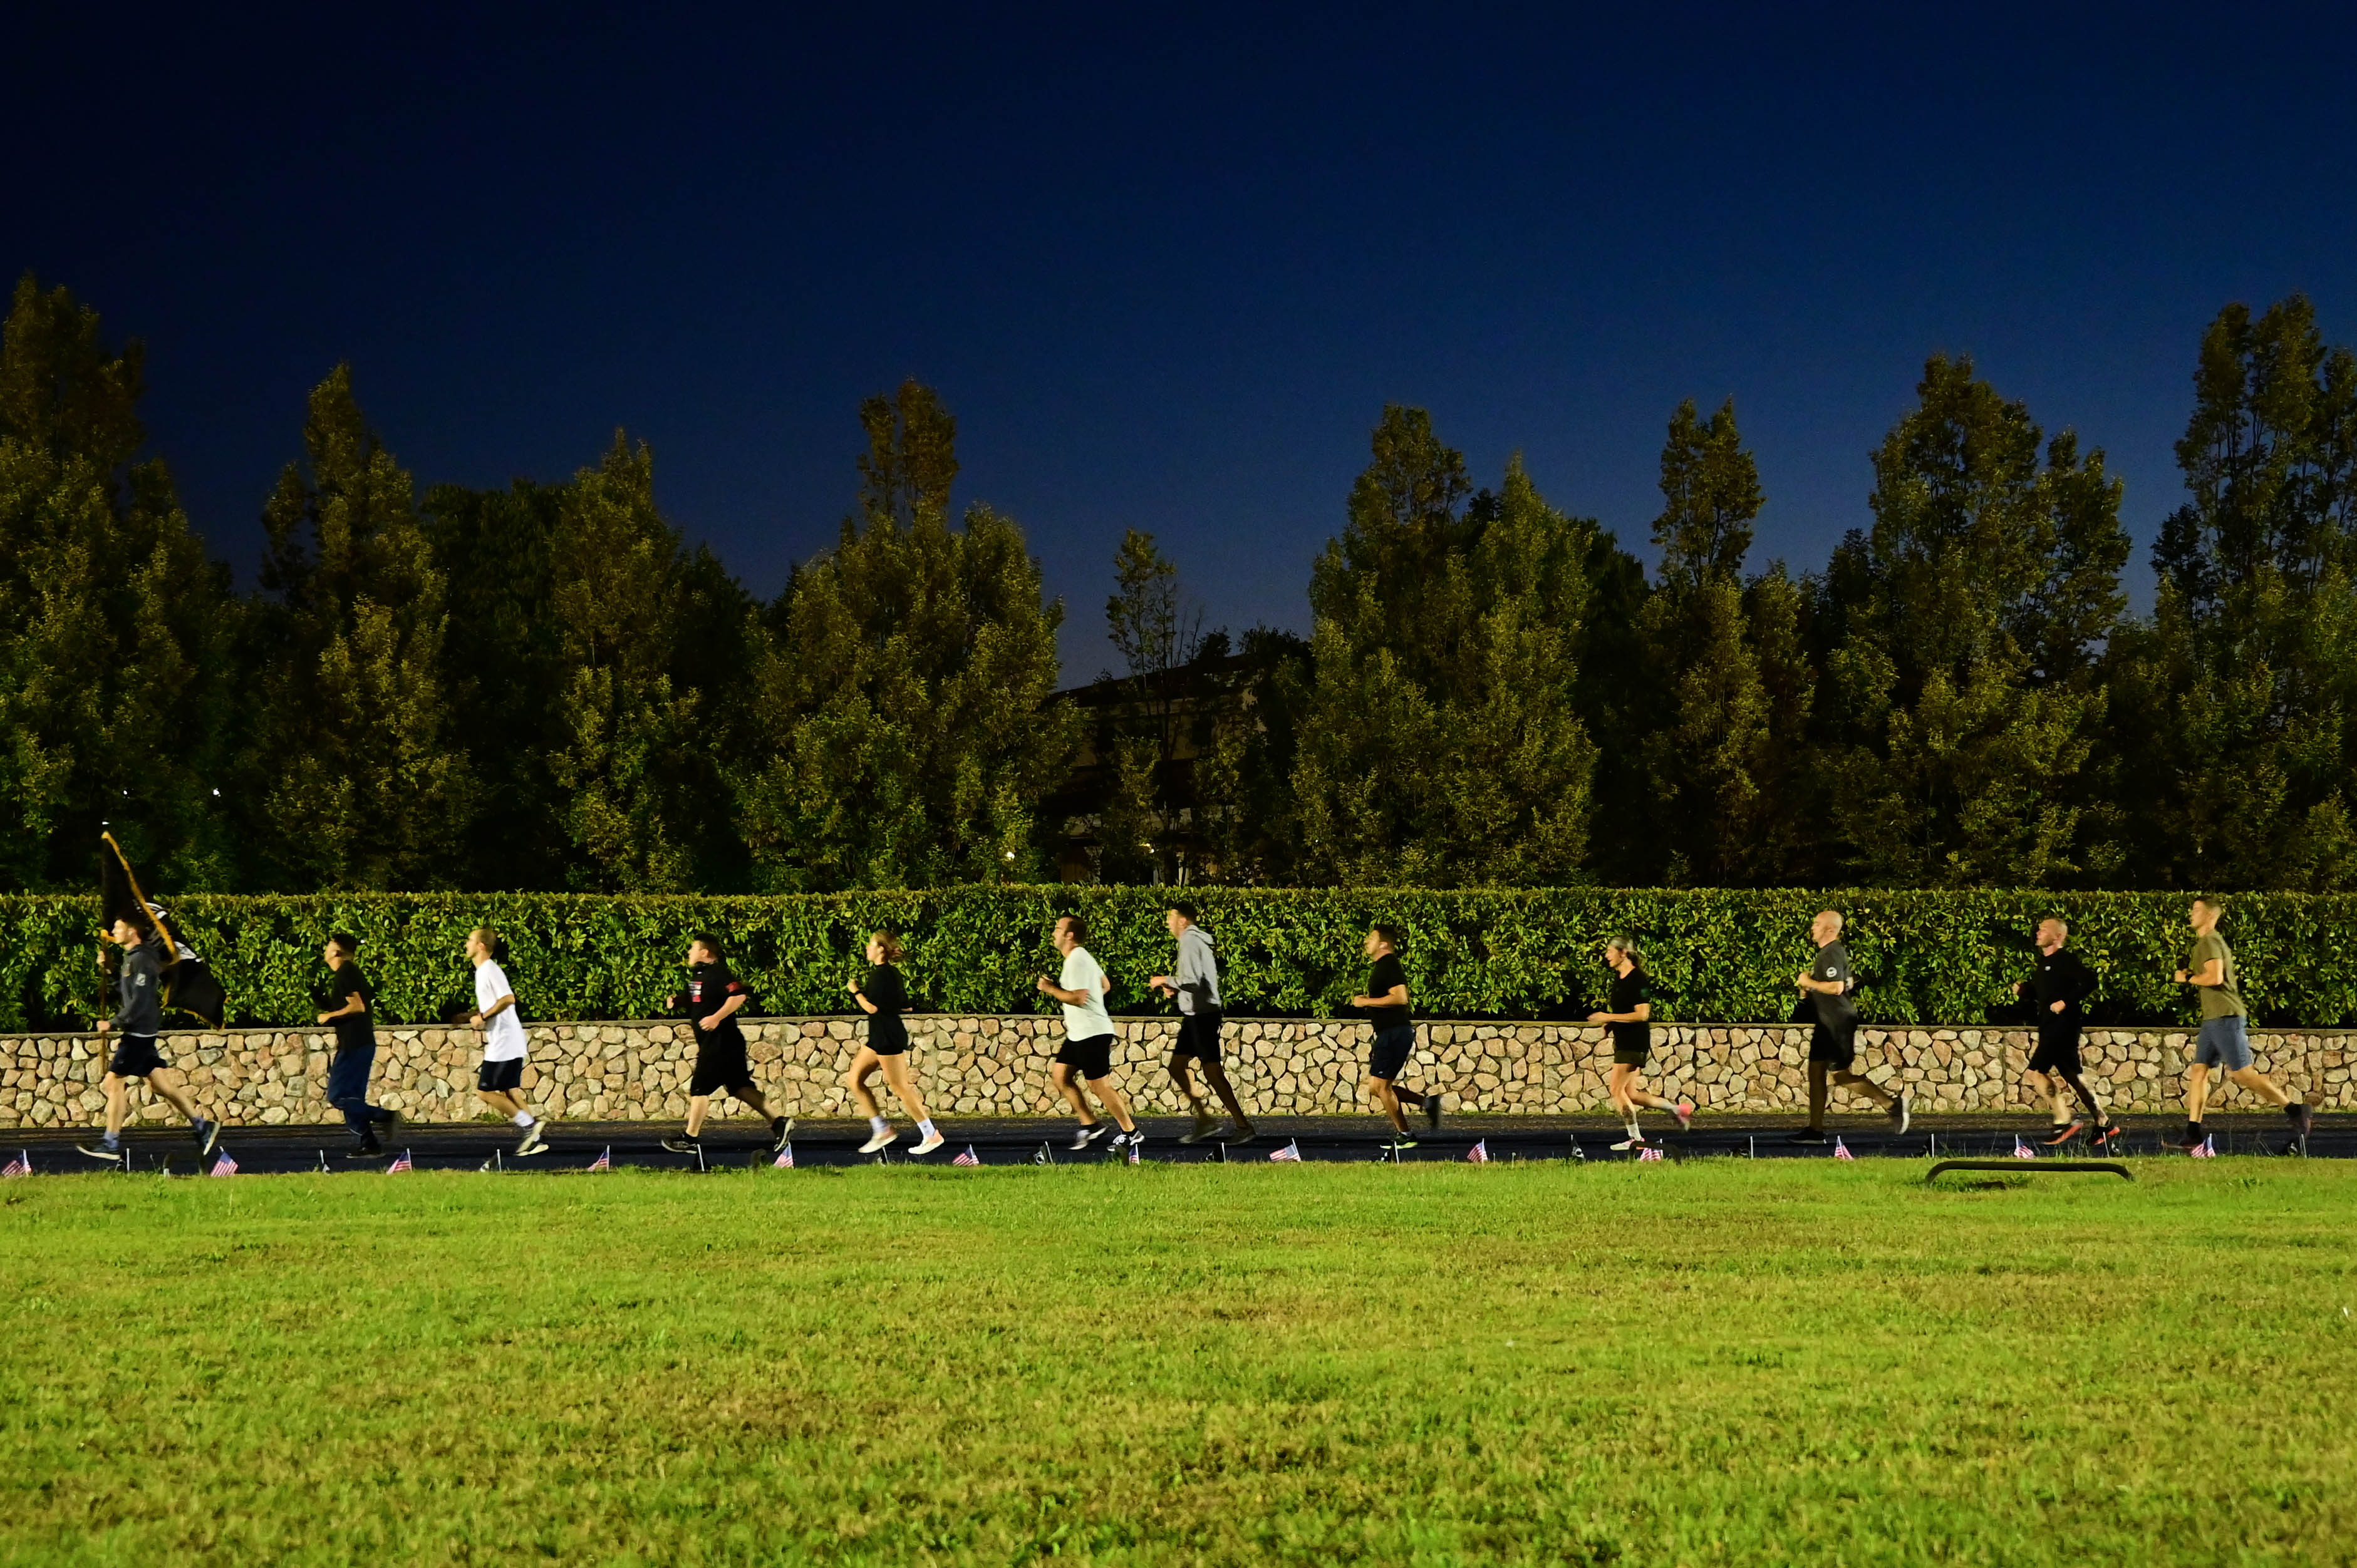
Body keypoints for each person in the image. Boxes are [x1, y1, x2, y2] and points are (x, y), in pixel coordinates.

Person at [76, 914, 224, 1164]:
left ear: (133, 931)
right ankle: (203, 1127)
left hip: (138, 1032)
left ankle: (110, 1144)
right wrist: (110, 969)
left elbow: (141, 1001)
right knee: (160, 1085)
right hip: (140, 1030)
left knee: (112, 1084)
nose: (113, 930)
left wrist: (114, 1022)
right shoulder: (132, 959)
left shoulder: (143, 960)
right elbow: (125, 992)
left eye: (118, 927)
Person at [2169, 896, 2313, 1151]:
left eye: (2197, 910)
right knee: (2199, 1071)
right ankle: (2193, 1132)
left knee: (2242, 1073)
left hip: (2226, 1016)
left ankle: (2295, 1110)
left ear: (2211, 915)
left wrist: (2188, 979)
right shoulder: (2207, 942)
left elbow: (2215, 977)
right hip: (2213, 1018)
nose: (2192, 914)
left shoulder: (2210, 941)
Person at [661, 935, 793, 1157]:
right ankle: (779, 1122)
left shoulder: (719, 973)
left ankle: (690, 1139)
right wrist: (679, 1001)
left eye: (693, 949)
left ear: (705, 952)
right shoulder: (699, 976)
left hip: (721, 1042)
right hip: (720, 1043)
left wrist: (716, 1018)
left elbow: (738, 996)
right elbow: (698, 999)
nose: (689, 953)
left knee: (700, 1088)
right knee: (740, 1087)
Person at [1786, 910, 1909, 1143]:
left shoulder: (1831, 952)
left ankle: (1892, 1105)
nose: (1812, 927)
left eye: (1817, 923)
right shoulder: (1829, 954)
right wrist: (1811, 990)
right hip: (1826, 1022)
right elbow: (1848, 982)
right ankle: (1815, 1130)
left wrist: (1807, 981)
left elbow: (1837, 988)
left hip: (1838, 1022)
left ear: (1830, 929)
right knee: (1815, 1072)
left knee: (1840, 1075)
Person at [1148, 901, 1255, 1143]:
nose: (1168, 923)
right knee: (1176, 1066)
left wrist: (1163, 979)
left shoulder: (1189, 941)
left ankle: (1242, 1125)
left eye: (1170, 917)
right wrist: (1174, 988)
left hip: (1203, 1015)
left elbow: (1192, 980)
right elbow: (1196, 981)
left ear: (1182, 920)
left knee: (1213, 1071)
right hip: (1195, 1014)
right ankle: (1205, 1119)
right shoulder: (1194, 941)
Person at [2011, 918, 2119, 1148]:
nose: (2039, 932)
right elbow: (2046, 993)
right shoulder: (2045, 962)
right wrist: (2026, 991)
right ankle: (2104, 1122)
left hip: (2062, 1025)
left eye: (2044, 930)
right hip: (2051, 1025)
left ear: (2059, 937)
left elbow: (2090, 981)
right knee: (2073, 1076)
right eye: (2039, 929)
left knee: (2036, 1072)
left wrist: (2065, 1003)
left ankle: (2064, 1119)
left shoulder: (2065, 959)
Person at [1036, 914, 1139, 1153]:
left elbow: (1079, 997)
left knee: (1099, 1086)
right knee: (1061, 1076)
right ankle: (1091, 1125)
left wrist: (1050, 989)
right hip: (1079, 1033)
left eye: (1058, 928)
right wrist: (1094, 1004)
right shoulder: (1082, 959)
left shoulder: (1077, 961)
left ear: (1069, 936)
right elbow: (1105, 985)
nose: (1054, 932)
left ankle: (1130, 1132)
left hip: (1092, 1033)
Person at [843, 931, 945, 1156]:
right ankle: (882, 1129)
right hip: (879, 1037)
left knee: (900, 1088)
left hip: (887, 1037)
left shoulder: (880, 976)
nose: (867, 949)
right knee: (855, 1080)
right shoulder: (891, 974)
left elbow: (872, 1008)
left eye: (871, 945)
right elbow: (906, 1006)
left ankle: (931, 1134)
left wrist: (856, 991)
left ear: (881, 949)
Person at [1587, 937, 1692, 1151]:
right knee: (1632, 1094)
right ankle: (1676, 1110)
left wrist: (1610, 1016)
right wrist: (1610, 1024)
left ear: (1623, 953)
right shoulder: (1619, 979)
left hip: (1634, 1043)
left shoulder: (1638, 979)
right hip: (1623, 1042)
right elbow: (1623, 1012)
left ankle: (1635, 1140)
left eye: (1610, 951)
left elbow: (1642, 1014)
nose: (1606, 956)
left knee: (1616, 1090)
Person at [1353, 924, 1441, 1148]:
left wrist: (1366, 1002)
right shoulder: (1382, 967)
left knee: (1381, 1087)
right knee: (1376, 1087)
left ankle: (1406, 1135)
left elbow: (1401, 998)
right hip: (1390, 1033)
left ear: (1383, 944)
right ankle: (1427, 1104)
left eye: (1370, 938)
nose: (1366, 942)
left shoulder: (1388, 964)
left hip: (1394, 1033)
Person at [467, 926, 547, 1157]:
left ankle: (530, 1127)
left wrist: (483, 1017)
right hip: (504, 1038)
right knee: (509, 1091)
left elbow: (508, 998)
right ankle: (536, 1140)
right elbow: (496, 1004)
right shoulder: (483, 972)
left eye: (470, 941)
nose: (466, 945)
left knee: (485, 1092)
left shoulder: (489, 970)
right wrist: (481, 1020)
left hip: (504, 1041)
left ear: (481, 946)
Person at [317, 932, 397, 1157]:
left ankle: (385, 1116)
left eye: (329, 944)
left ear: (336, 951)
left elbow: (357, 1006)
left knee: (338, 1097)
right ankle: (369, 1144)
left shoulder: (346, 972)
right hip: (359, 1042)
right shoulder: (349, 973)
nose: (326, 948)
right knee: (352, 1099)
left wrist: (329, 1016)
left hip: (355, 1044)